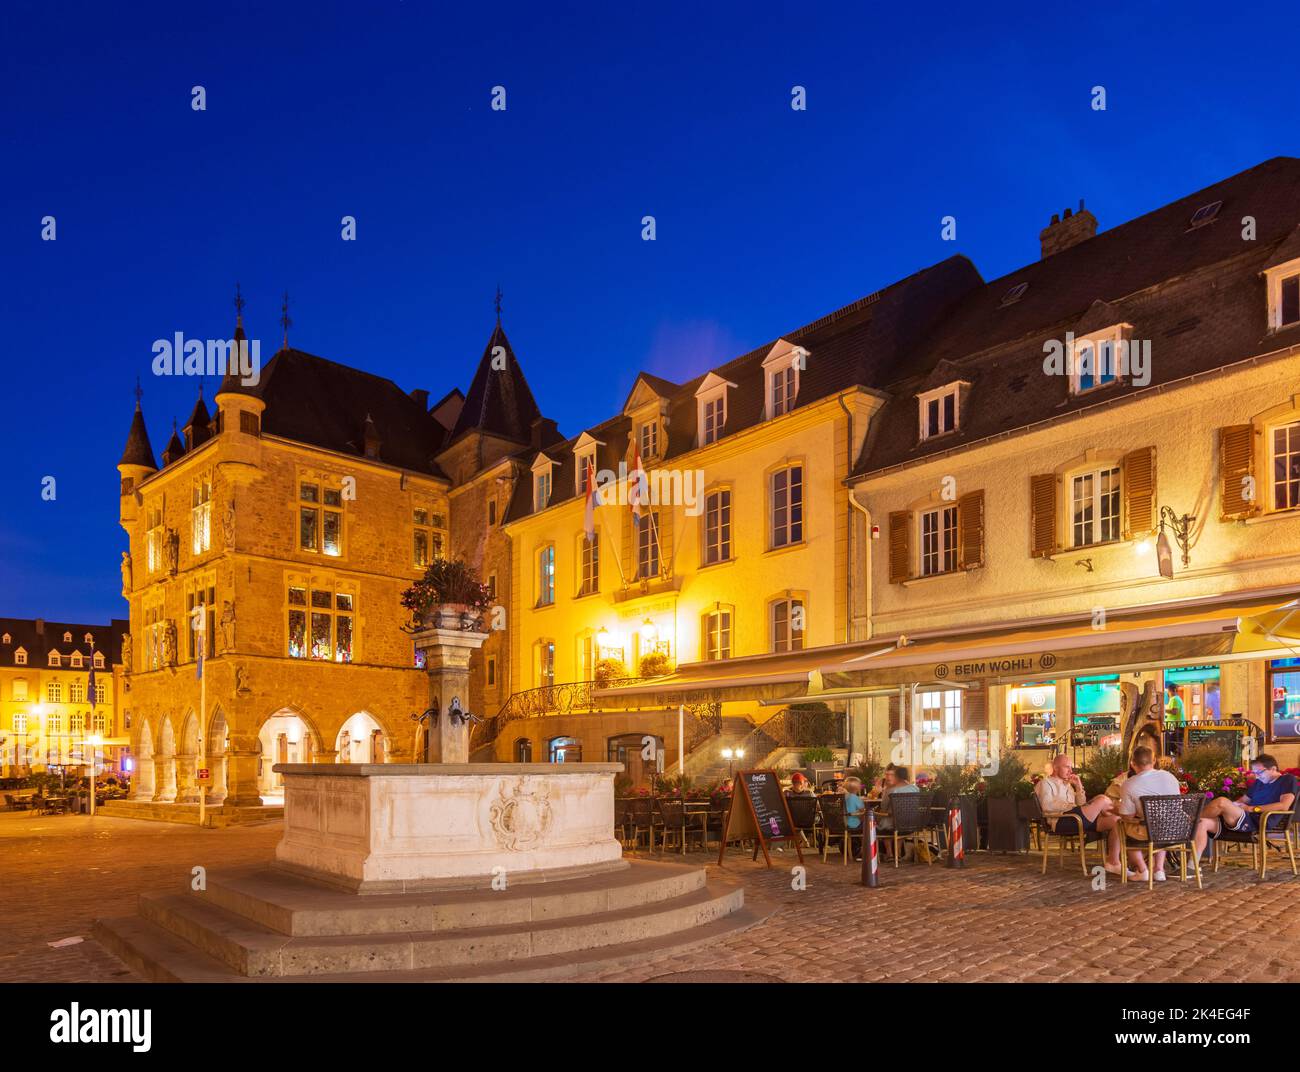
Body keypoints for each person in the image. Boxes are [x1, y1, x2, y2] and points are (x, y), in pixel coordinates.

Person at [1193, 753, 1298, 859]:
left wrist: (1251, 809)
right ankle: (1192, 867)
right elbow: (1243, 800)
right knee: (1201, 823)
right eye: (1255, 773)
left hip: (1259, 820)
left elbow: (1284, 805)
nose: (1257, 776)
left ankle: (1188, 821)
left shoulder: (1287, 780)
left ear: (1273, 769)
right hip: (1243, 817)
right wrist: (1233, 805)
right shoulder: (1259, 782)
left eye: (1260, 772)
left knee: (1221, 802)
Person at [1100, 746, 1181, 880]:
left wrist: (1116, 809)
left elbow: (1128, 816)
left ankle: (1142, 870)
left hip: (1150, 831)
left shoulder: (1129, 784)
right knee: (1161, 822)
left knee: (1121, 826)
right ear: (1154, 761)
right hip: (1175, 829)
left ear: (1132, 763)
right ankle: (1158, 869)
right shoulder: (1170, 777)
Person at [1034, 753, 1114, 838]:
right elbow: (1047, 806)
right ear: (1055, 768)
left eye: (1071, 767)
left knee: (1116, 820)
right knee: (1102, 800)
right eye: (1067, 767)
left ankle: (1117, 851)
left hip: (1076, 818)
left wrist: (1078, 787)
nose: (1071, 771)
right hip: (1060, 821)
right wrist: (1072, 807)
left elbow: (1081, 804)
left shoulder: (1068, 785)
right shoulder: (1045, 783)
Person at [842, 776, 866, 859]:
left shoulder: (844, 797)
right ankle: (864, 850)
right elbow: (863, 810)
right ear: (857, 788)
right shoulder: (856, 798)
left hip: (844, 822)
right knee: (868, 826)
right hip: (854, 823)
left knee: (863, 823)